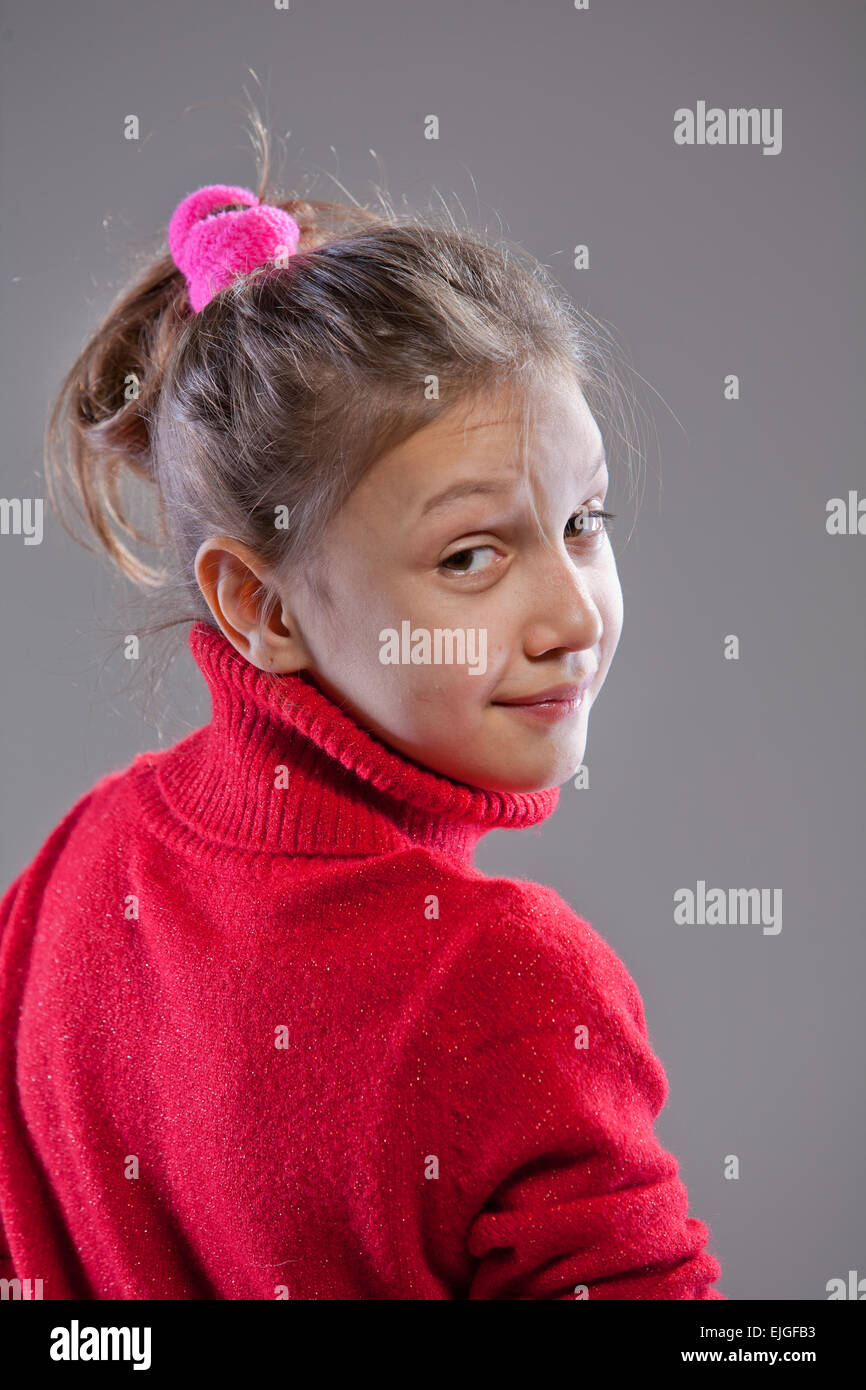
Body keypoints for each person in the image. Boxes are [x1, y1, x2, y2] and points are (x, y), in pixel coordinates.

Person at [0, 162, 725, 1299]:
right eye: (469, 555)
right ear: (262, 605)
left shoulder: (74, 868)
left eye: (582, 522)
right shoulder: (505, 986)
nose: (573, 615)